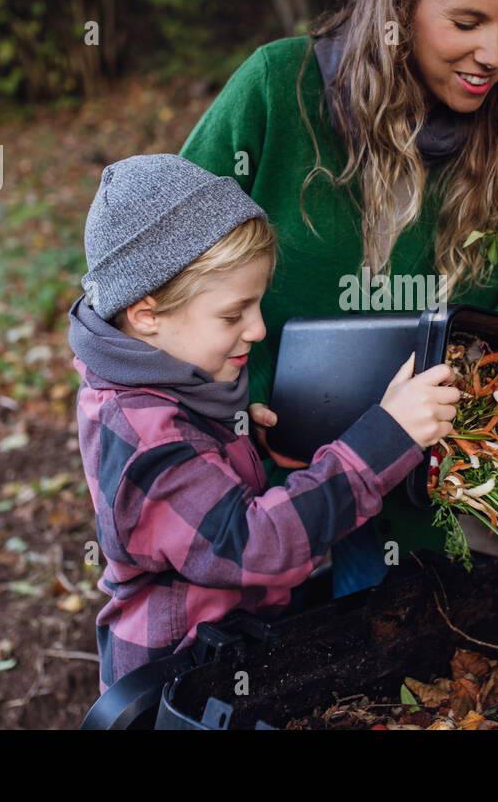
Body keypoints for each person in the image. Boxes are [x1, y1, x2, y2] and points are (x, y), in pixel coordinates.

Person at [178, 0, 498, 597]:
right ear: (401, 5)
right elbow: (168, 254)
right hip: (250, 479)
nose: (495, 54)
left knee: (371, 663)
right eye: (466, 22)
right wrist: (226, 398)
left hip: (404, 487)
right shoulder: (279, 90)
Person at [67, 153, 460, 691]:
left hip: (234, 652)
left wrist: (239, 436)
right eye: (234, 314)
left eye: (257, 305)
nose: (256, 329)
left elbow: (196, 467)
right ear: (146, 313)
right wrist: (385, 439)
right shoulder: (142, 434)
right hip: (178, 682)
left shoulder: (159, 378)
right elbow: (255, 545)